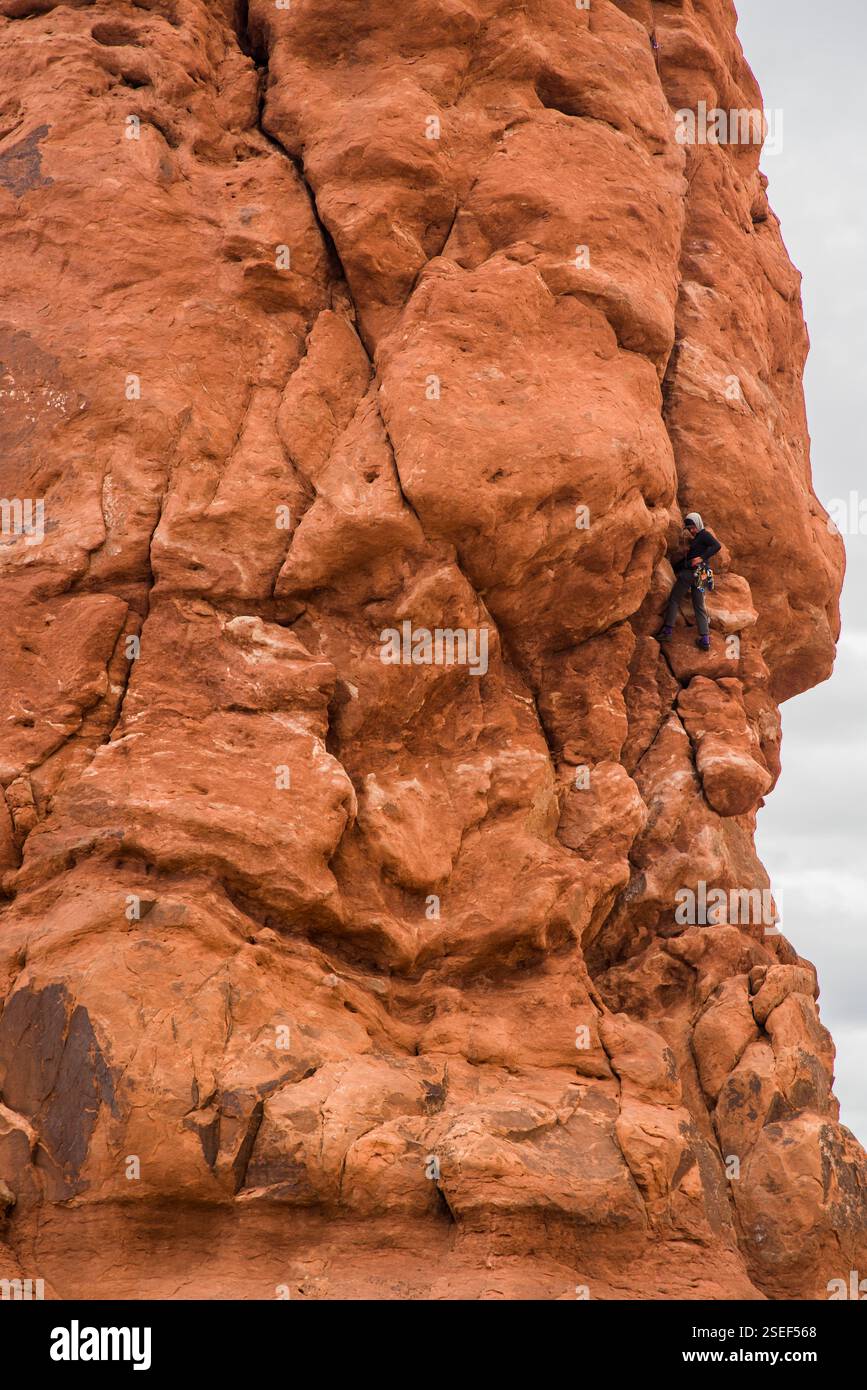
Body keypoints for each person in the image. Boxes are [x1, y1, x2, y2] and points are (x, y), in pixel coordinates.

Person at [657, 512, 721, 651]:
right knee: (699, 605)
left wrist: (702, 557)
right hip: (702, 575)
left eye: (693, 527)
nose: (692, 530)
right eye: (689, 528)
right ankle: (705, 639)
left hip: (693, 574)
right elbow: (689, 561)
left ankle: (667, 632)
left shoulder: (704, 534)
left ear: (698, 523)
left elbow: (717, 546)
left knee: (674, 600)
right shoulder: (697, 538)